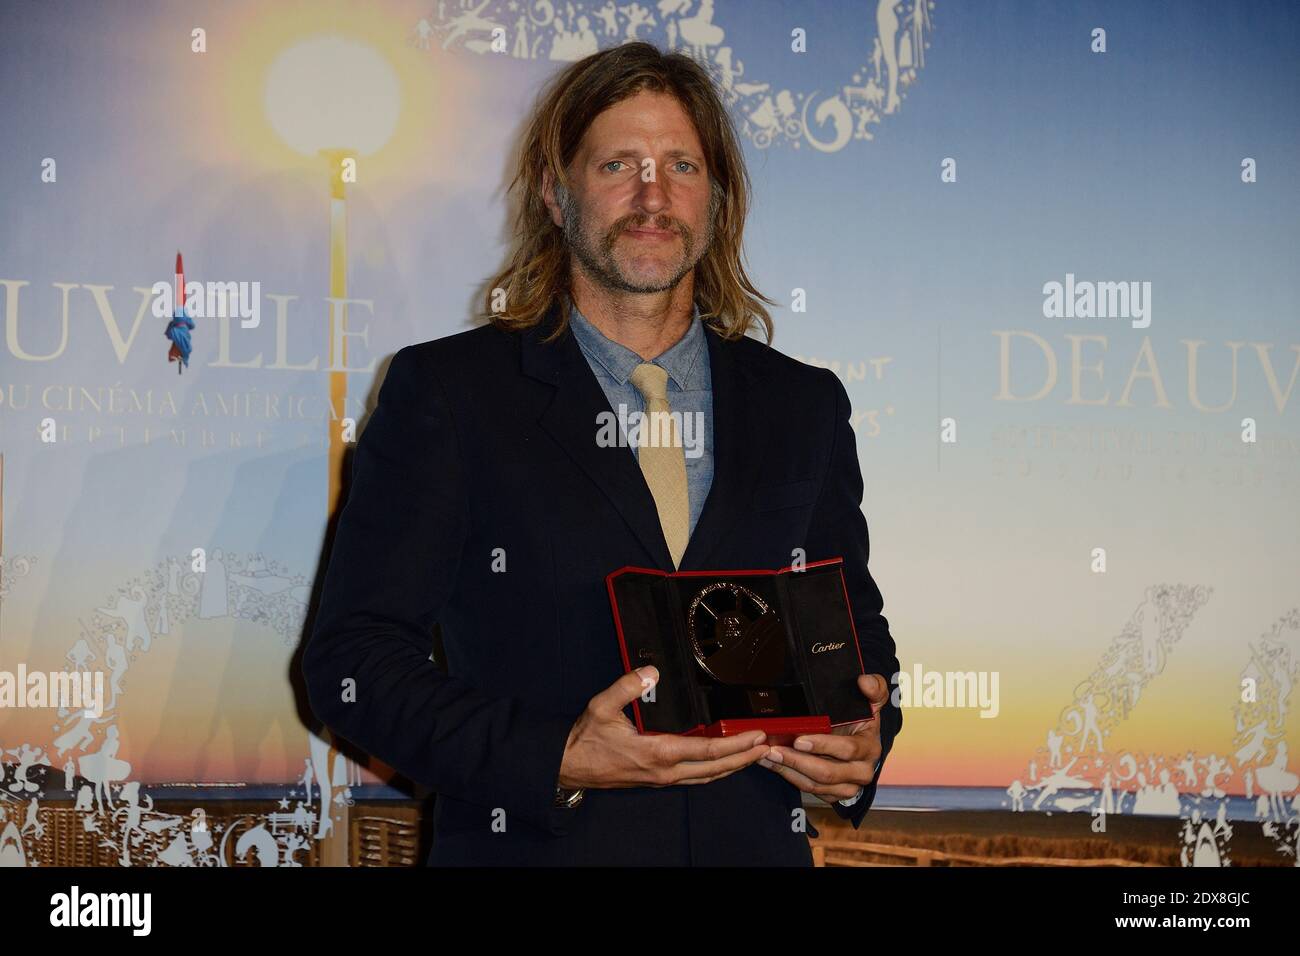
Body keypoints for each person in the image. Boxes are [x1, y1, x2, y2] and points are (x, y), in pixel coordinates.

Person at [302, 40, 902, 866]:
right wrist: (558, 757)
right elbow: (352, 665)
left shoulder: (803, 404)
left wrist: (865, 741)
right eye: (619, 163)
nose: (652, 196)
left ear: (717, 200)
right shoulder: (448, 393)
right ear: (556, 194)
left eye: (682, 167)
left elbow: (856, 634)